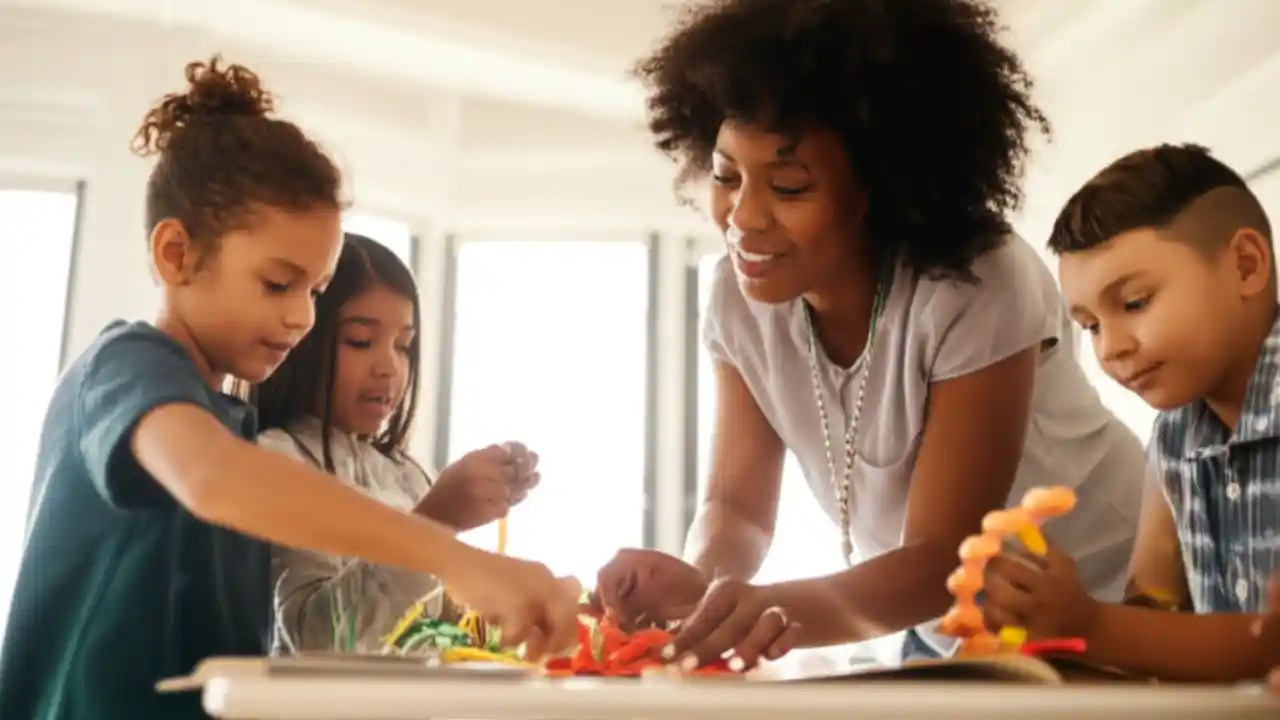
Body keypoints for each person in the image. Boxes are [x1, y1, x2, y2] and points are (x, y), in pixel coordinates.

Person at [0, 57, 576, 720]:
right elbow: (212, 476)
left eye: (316, 291)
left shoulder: (232, 425)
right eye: (279, 284)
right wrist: (451, 556)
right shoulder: (125, 367)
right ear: (175, 254)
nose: (302, 316)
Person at [594, 0, 1145, 670]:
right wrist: (699, 587)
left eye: (790, 187)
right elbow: (735, 506)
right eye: (725, 175)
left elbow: (943, 553)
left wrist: (763, 610)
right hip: (953, 628)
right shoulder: (736, 298)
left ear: (879, 191)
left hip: (1116, 604)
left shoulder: (976, 284)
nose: (742, 217)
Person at [982, 143, 1280, 681]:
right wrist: (1047, 615)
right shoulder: (1173, 438)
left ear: (1245, 264)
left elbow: (1268, 645)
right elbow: (1154, 603)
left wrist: (1092, 623)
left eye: (1136, 302)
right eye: (1091, 324)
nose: (1111, 348)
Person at [255, 233, 541, 653]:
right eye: (359, 341)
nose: (390, 366)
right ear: (300, 340)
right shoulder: (275, 461)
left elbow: (441, 634)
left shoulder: (405, 474)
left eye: (404, 346)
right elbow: (318, 643)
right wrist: (432, 522)